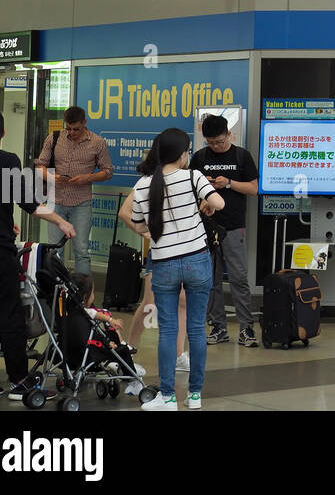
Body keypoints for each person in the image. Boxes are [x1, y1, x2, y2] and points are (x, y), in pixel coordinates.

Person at [0, 107, 75, 401]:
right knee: (8, 316)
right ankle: (19, 380)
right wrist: (60, 220)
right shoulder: (9, 161)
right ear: (3, 134)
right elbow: (29, 202)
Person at [119, 127, 223, 411]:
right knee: (197, 330)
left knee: (167, 331)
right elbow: (219, 203)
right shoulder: (194, 177)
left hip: (163, 262)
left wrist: (152, 234)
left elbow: (137, 222)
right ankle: (195, 396)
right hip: (197, 260)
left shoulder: (144, 185)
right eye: (188, 151)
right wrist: (206, 205)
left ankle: (167, 397)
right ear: (181, 154)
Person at [190, 114, 259, 347]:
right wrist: (205, 189)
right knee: (210, 280)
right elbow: (190, 190)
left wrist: (228, 183)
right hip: (206, 228)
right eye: (211, 143)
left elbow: (253, 188)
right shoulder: (199, 158)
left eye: (219, 141)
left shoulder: (241, 156)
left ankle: (246, 328)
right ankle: (218, 326)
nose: (216, 146)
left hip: (233, 226)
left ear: (229, 134)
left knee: (239, 278)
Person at [34, 106, 113, 276]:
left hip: (81, 202)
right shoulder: (55, 137)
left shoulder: (98, 143)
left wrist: (87, 178)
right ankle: (56, 293)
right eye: (68, 128)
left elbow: (108, 171)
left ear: (84, 123)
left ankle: (83, 296)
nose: (71, 132)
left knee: (81, 251)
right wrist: (52, 177)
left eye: (76, 129)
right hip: (56, 202)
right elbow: (40, 166)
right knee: (55, 251)